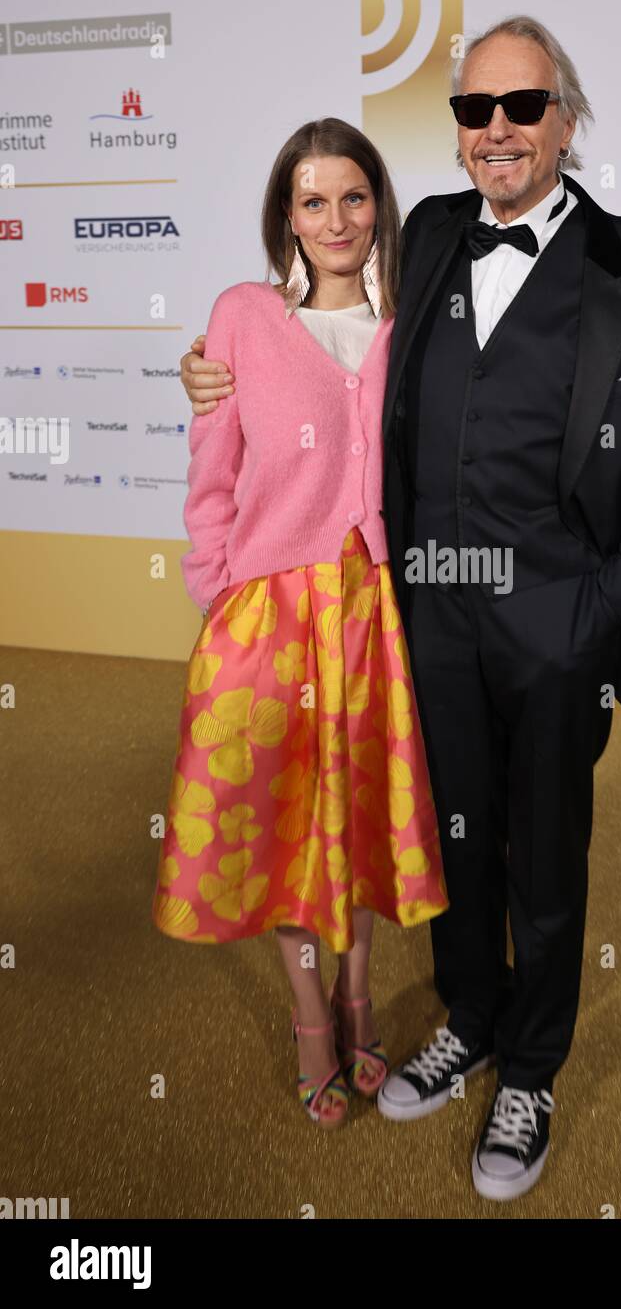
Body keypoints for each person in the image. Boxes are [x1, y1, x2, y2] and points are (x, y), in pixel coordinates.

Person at [180, 15, 621, 1200]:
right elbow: (312, 339)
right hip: (422, 615)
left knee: (544, 856)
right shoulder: (423, 237)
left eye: (518, 107)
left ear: (564, 121)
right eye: (471, 111)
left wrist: (597, 608)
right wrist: (205, 366)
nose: (493, 132)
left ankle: (530, 1065)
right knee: (454, 841)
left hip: (556, 621)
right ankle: (469, 1015)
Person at [154, 117, 448, 1130]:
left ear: (379, 208)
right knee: (286, 834)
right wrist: (218, 596)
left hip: (374, 617)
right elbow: (212, 478)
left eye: (354, 197)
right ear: (286, 213)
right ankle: (309, 1024)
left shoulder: (410, 322)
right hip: (267, 620)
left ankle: (361, 1002)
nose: (336, 218)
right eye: (313, 200)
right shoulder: (240, 316)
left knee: (358, 830)